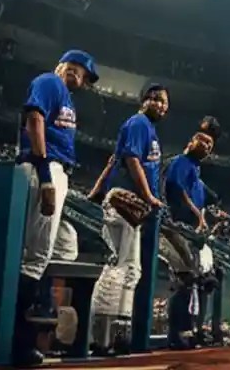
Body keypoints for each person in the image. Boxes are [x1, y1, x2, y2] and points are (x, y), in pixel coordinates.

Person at [12, 50, 98, 367]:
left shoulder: (66, 97)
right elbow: (34, 119)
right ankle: (18, 341)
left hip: (54, 170)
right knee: (34, 256)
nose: (77, 77)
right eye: (73, 69)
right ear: (61, 66)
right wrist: (46, 176)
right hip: (42, 169)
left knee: (62, 244)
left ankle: (43, 308)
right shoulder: (49, 82)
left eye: (83, 75)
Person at [86, 83, 168, 354]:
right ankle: (101, 337)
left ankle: (118, 335)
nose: (159, 104)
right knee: (119, 267)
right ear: (142, 100)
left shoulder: (149, 129)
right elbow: (131, 159)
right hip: (125, 200)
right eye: (154, 99)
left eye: (164, 102)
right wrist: (148, 195)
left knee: (130, 269)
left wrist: (96, 191)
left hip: (129, 204)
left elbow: (113, 159)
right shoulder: (138, 123)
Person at [161, 125, 216, 349]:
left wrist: (205, 215)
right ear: (191, 142)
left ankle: (193, 330)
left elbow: (204, 200)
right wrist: (198, 216)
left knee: (199, 280)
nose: (206, 146)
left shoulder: (196, 171)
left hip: (187, 231)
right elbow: (177, 188)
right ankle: (175, 334)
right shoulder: (181, 162)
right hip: (172, 226)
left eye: (210, 145)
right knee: (185, 279)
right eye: (202, 141)